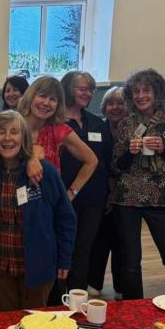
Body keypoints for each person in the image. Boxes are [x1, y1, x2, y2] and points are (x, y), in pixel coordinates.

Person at [0, 110, 76, 311]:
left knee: (35, 323)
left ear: (24, 137)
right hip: (0, 266)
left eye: (14, 132)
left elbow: (65, 218)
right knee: (6, 321)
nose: (7, 138)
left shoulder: (43, 172)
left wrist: (65, 259)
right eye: (1, 132)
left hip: (37, 264)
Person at [111, 69, 165, 300]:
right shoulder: (127, 123)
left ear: (158, 93)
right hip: (127, 198)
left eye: (146, 90)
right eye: (135, 91)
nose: (140, 95)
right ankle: (134, 311)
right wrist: (129, 152)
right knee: (130, 263)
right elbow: (116, 166)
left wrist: (164, 150)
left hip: (161, 199)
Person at [60, 71, 111, 295]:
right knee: (63, 249)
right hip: (63, 197)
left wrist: (110, 192)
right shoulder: (56, 122)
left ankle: (77, 297)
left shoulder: (97, 123)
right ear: (68, 89)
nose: (87, 93)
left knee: (84, 249)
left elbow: (107, 161)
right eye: (82, 88)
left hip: (93, 199)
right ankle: (57, 297)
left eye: (91, 89)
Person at [18, 76, 97, 190]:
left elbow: (92, 160)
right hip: (12, 198)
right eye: (42, 96)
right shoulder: (13, 125)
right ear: (31, 97)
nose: (46, 103)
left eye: (53, 99)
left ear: (58, 105)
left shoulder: (59, 130)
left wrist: (70, 194)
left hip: (48, 202)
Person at [87, 86, 128, 298]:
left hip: (128, 194)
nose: (115, 107)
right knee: (99, 239)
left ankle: (121, 286)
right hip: (102, 192)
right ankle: (94, 282)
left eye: (120, 103)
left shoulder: (134, 130)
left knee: (122, 241)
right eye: (111, 103)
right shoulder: (98, 127)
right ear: (104, 106)